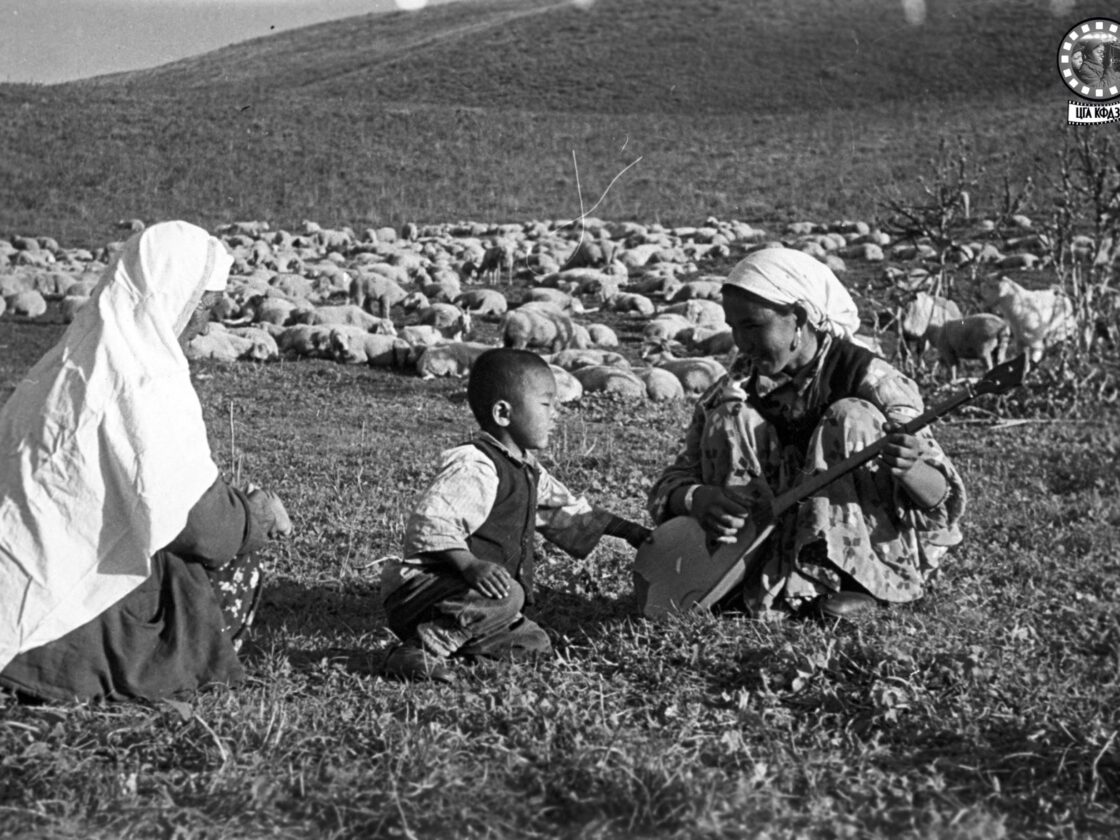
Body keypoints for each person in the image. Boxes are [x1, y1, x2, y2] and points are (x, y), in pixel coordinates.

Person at [0, 221, 292, 703]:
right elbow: (206, 532)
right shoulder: (146, 381)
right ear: (174, 295)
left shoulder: (64, 365)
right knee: (232, 561)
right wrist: (253, 515)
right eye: (204, 306)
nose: (204, 325)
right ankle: (150, 667)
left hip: (18, 591)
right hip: (62, 628)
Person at [647, 247, 966, 620]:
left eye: (752, 326)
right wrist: (698, 498)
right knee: (729, 416)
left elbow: (941, 504)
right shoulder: (734, 388)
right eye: (733, 328)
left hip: (873, 549)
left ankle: (858, 584)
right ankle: (745, 573)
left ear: (798, 317)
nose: (741, 343)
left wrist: (910, 467)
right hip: (763, 546)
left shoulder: (874, 383)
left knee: (850, 417)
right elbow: (674, 480)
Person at [380, 348, 650, 682]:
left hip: (478, 599)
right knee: (509, 595)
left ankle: (458, 654)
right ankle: (421, 648)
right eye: (546, 404)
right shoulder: (475, 464)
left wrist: (629, 531)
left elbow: (563, 509)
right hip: (428, 591)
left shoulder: (527, 469)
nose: (556, 415)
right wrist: (470, 564)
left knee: (535, 643)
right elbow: (432, 523)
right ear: (503, 413)